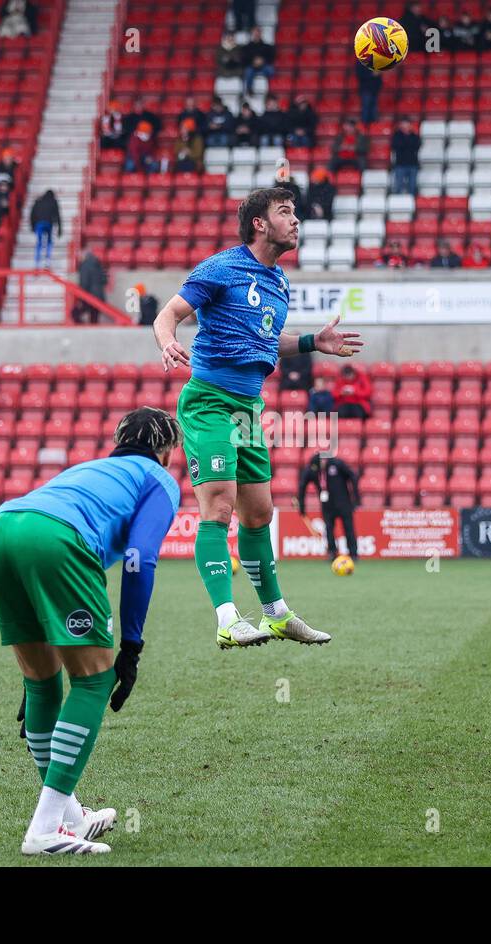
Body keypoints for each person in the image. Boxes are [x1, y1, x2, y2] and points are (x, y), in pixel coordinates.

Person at [151, 187, 363, 649]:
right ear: (259, 224)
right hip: (208, 401)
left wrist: (311, 343)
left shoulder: (278, 282)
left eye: (296, 212)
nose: (296, 220)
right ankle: (227, 618)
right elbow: (169, 313)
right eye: (285, 212)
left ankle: (276, 615)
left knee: (260, 513)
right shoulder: (222, 266)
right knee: (220, 506)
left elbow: (267, 339)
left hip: (248, 408)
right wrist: (167, 340)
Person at [0, 407, 182, 855]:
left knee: (42, 685)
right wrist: (131, 646)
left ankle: (72, 818)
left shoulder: (91, 466)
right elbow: (137, 559)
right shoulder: (159, 478)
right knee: (92, 681)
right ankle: (44, 830)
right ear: (167, 451)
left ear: (118, 439)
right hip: (57, 540)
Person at [298, 451, 361, 563]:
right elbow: (302, 485)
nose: (316, 469)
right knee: (329, 529)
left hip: (344, 503)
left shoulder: (337, 464)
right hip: (327, 505)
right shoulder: (313, 469)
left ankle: (353, 553)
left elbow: (353, 476)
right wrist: (302, 507)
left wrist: (356, 499)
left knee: (349, 528)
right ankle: (332, 553)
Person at [29, 189, 61, 270]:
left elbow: (32, 214)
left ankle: (37, 262)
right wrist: (59, 228)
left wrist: (32, 226)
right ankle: (47, 261)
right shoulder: (53, 201)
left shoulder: (38, 201)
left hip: (39, 224)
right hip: (48, 223)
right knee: (49, 242)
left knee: (39, 243)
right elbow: (57, 215)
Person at [240, 27, 276, 94]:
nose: (256, 34)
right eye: (254, 33)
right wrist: (253, 61)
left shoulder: (267, 46)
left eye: (258, 33)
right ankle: (249, 90)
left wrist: (263, 61)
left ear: (260, 34)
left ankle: (272, 90)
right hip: (251, 66)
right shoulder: (247, 47)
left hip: (264, 65)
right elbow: (244, 59)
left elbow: (271, 57)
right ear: (252, 34)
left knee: (271, 70)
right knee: (248, 72)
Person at [390, 118, 421, 195]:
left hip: (412, 164)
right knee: (398, 186)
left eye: (406, 124)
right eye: (403, 124)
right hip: (400, 164)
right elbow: (395, 146)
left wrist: (405, 144)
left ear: (410, 125)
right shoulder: (396, 136)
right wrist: (407, 144)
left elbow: (417, 146)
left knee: (412, 186)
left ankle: (411, 203)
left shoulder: (414, 136)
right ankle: (398, 203)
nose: (405, 126)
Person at [77, 244, 106, 323]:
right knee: (94, 318)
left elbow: (84, 282)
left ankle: (79, 330)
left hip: (89, 295)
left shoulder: (85, 265)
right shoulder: (98, 263)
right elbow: (104, 279)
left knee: (75, 313)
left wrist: (81, 296)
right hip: (99, 294)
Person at [356, 59, 383, 125]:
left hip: (374, 89)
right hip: (366, 89)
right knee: (366, 107)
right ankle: (364, 126)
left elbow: (379, 76)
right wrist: (371, 74)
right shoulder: (361, 61)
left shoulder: (376, 60)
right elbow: (359, 74)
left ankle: (374, 127)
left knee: (374, 108)